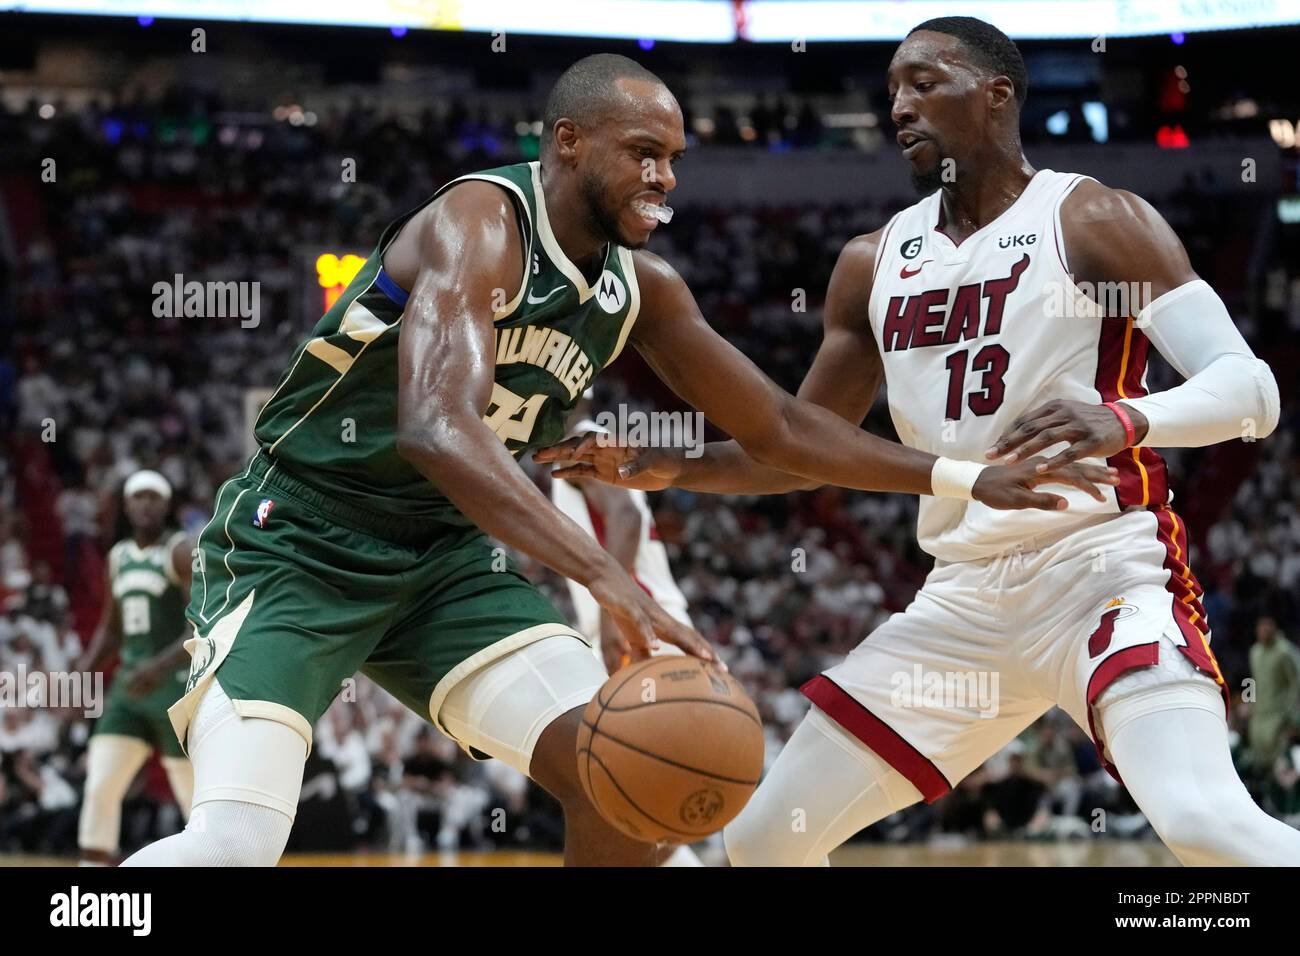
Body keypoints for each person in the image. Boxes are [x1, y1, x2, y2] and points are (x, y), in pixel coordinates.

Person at [123, 52, 1109, 867]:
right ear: (568, 143)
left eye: (673, 159)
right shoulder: (479, 223)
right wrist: (607, 579)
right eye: (643, 153)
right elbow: (436, 426)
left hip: (443, 570)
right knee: (237, 843)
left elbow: (779, 427)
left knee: (628, 778)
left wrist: (959, 473)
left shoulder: (643, 290)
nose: (664, 178)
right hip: (295, 551)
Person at [545, 20, 1294, 866]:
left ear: (997, 93)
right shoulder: (874, 262)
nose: (900, 105)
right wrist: (671, 463)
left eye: (925, 83)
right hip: (962, 601)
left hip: (1099, 570)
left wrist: (1126, 418)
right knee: (763, 842)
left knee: (1201, 825)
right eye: (894, 88)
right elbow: (797, 446)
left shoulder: (1091, 218)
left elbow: (1251, 391)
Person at [75, 470, 194, 864]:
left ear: (167, 505)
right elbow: (110, 630)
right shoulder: (118, 556)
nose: (145, 504)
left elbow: (200, 623)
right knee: (100, 786)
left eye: (153, 497)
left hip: (172, 686)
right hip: (128, 688)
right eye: (137, 497)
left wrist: (158, 667)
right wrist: (82, 672)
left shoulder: (179, 550)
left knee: (190, 794)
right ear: (126, 506)